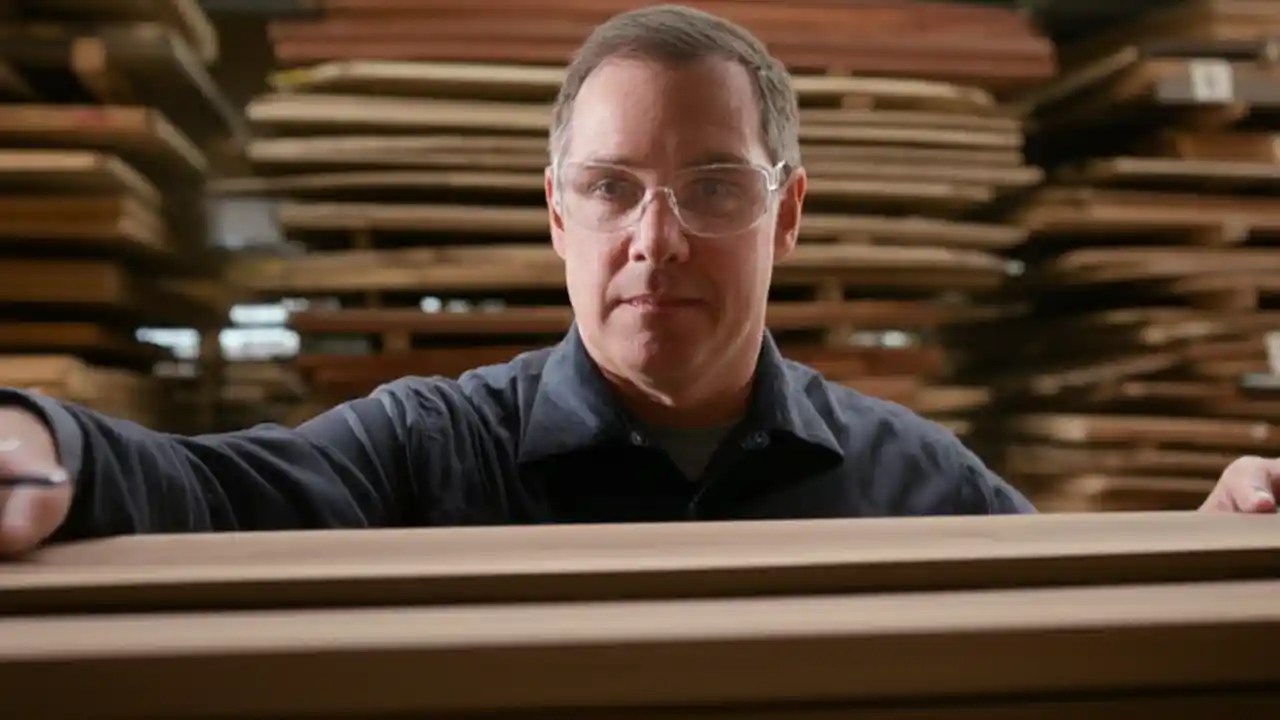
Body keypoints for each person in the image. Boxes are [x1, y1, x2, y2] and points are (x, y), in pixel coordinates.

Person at [0, 5, 1274, 558]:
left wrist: (1204, 551)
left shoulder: (918, 483)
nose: (654, 239)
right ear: (556, 215)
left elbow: (1062, 618)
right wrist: (40, 442)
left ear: (787, 217)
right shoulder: (428, 455)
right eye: (611, 189)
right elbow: (216, 493)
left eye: (713, 189)